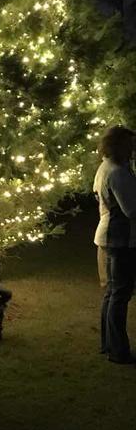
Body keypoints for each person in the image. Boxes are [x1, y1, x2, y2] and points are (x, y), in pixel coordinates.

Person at [94, 126, 136, 364]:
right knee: (119, 294)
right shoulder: (117, 172)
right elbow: (130, 209)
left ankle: (109, 344)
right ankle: (118, 350)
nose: (134, 149)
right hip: (119, 240)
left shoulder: (106, 167)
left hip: (110, 237)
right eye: (130, 144)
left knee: (113, 293)